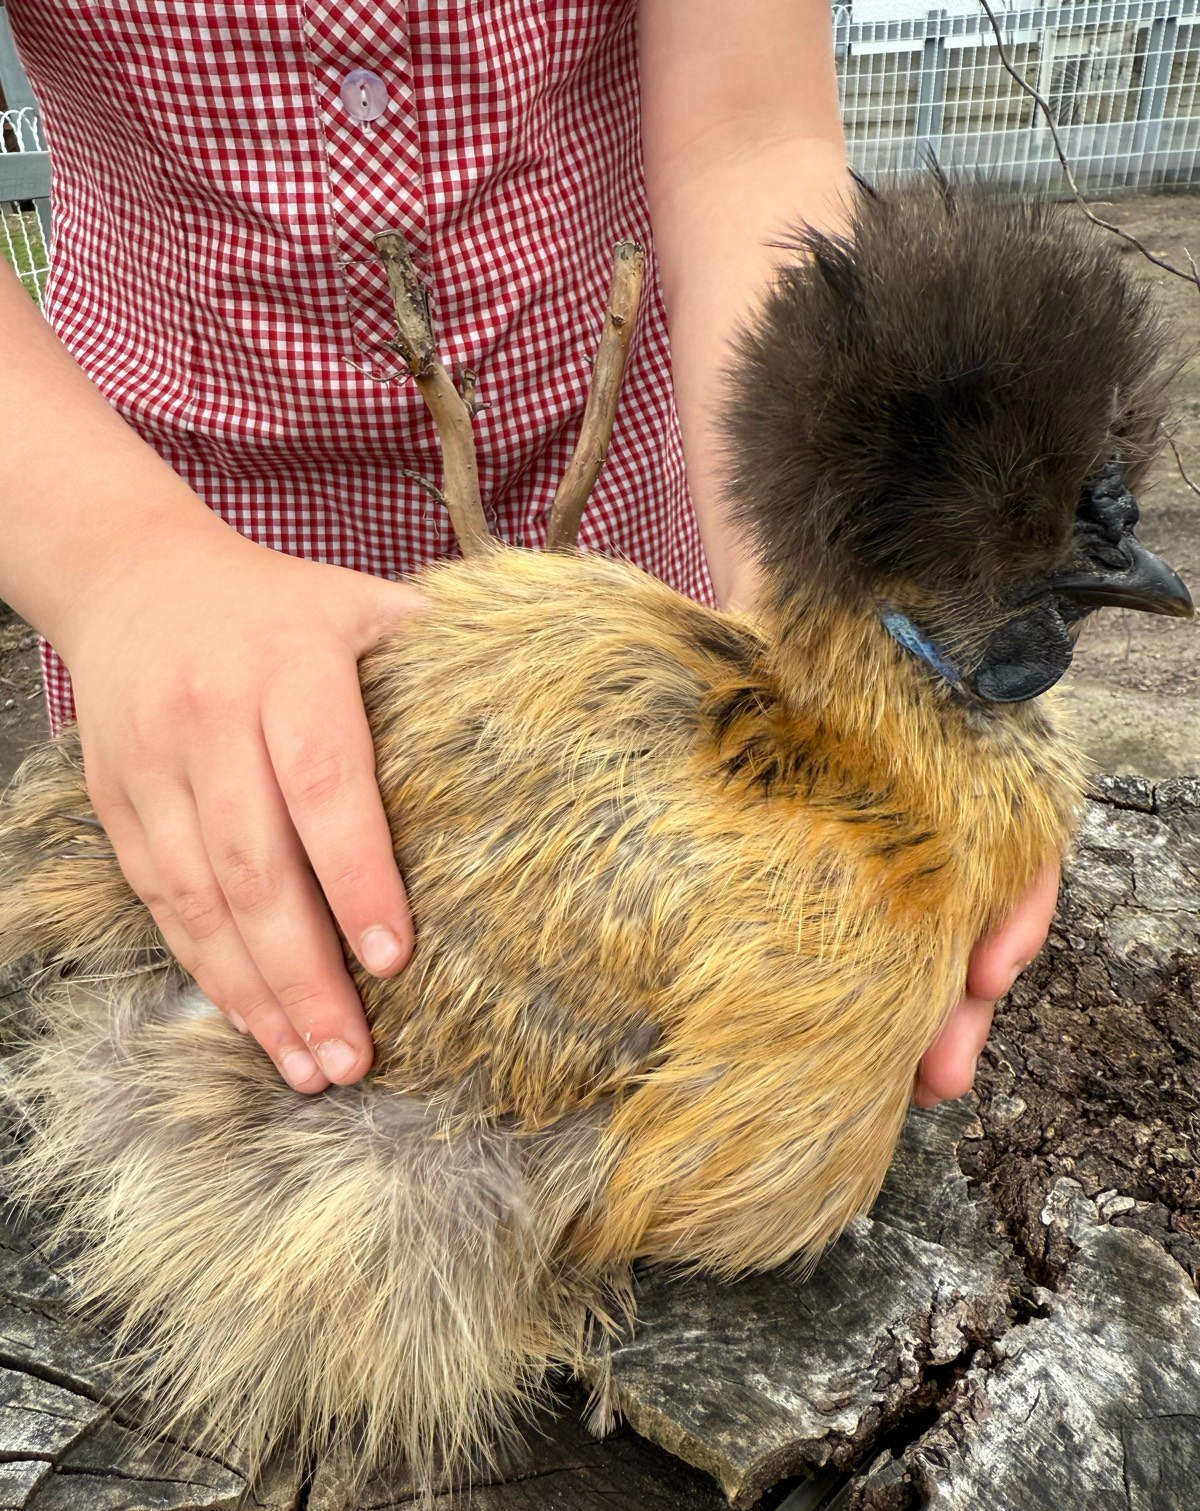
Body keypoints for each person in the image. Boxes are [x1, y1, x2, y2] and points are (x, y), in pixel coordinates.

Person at [0, 0, 1058, 1102]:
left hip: (658, 526)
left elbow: (749, 132)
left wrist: (810, 587)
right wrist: (124, 568)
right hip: (154, 547)